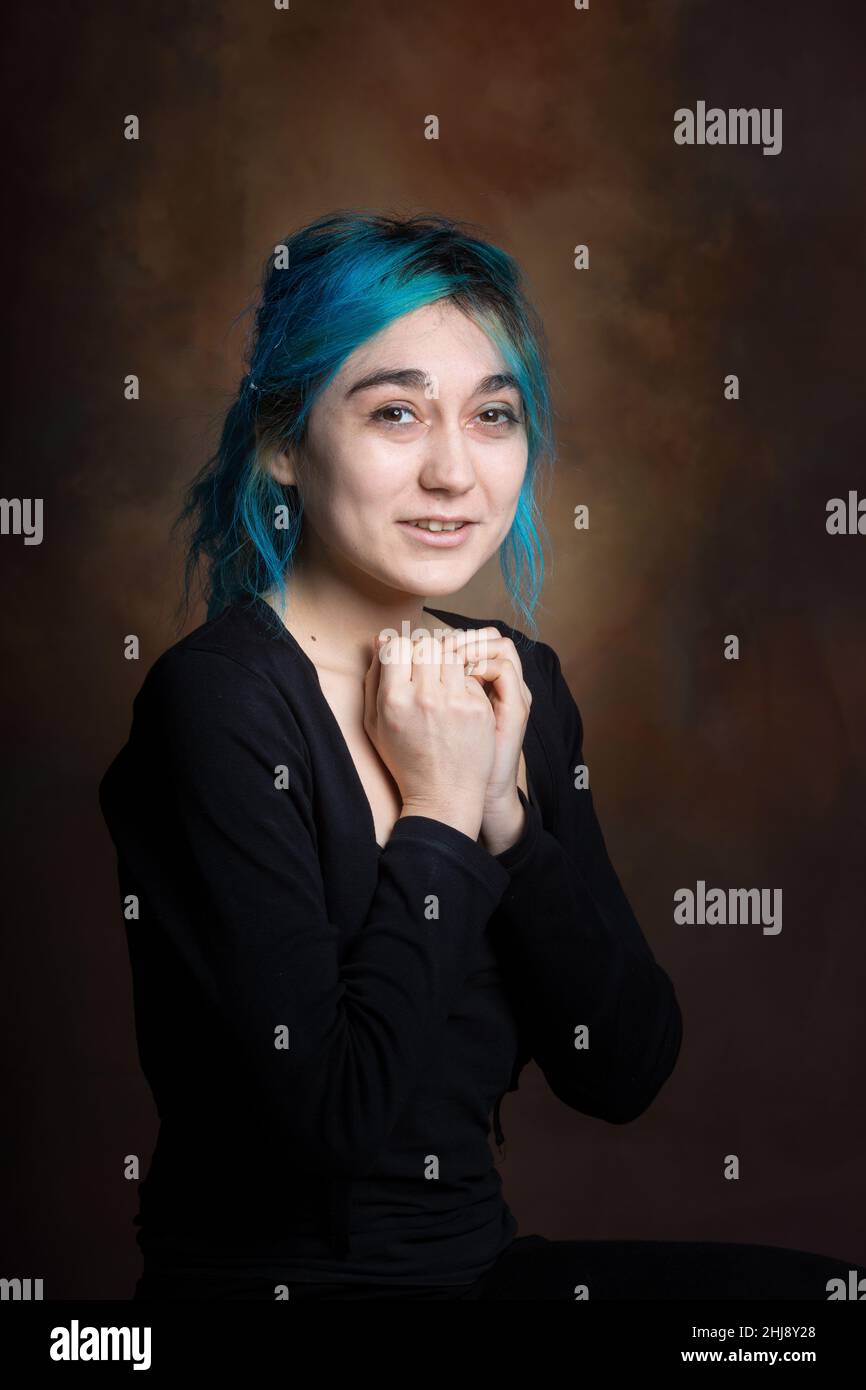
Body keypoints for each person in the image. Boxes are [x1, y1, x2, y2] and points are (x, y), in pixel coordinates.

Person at [99, 211, 851, 1301]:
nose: (454, 471)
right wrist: (440, 818)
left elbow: (621, 1066)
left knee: (820, 1311)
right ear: (279, 439)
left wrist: (508, 820)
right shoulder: (215, 704)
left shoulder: (521, 686)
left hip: (477, 1276)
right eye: (395, 413)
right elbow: (323, 1127)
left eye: (491, 415)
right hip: (280, 1299)